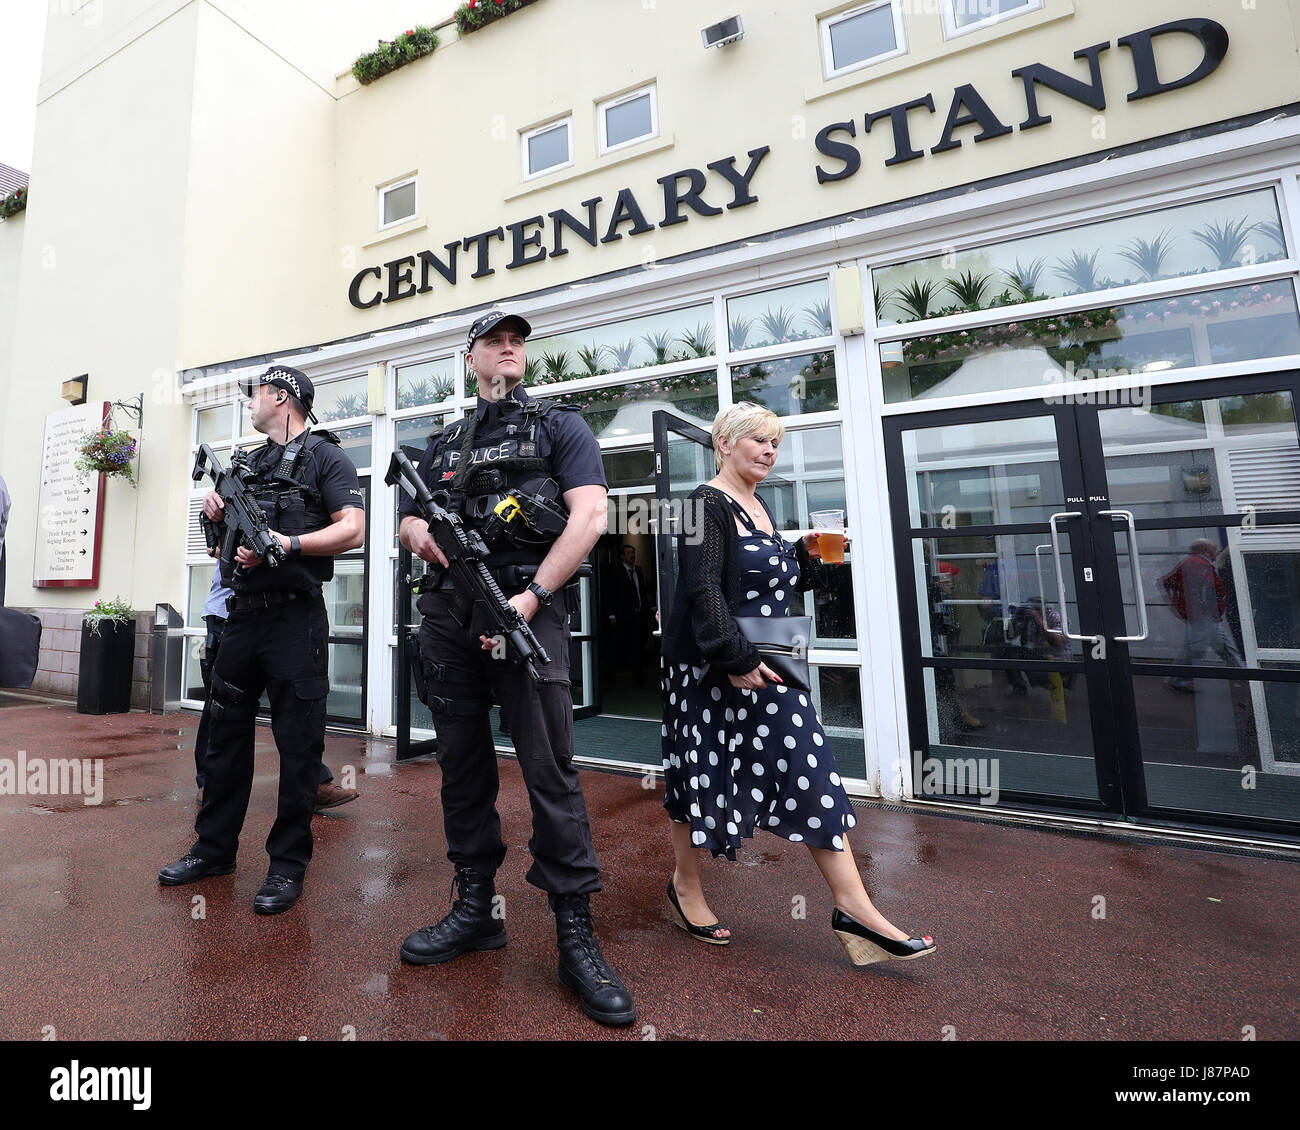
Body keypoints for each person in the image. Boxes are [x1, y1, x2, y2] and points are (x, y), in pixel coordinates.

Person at [396, 309, 635, 1027]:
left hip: (527, 610)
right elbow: (408, 520)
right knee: (461, 767)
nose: (510, 348)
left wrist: (533, 596)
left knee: (550, 771)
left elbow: (591, 516)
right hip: (447, 616)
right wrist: (419, 536)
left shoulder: (561, 427)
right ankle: (475, 910)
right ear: (470, 359)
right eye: (496, 341)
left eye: (518, 341)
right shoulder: (440, 443)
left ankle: (575, 937)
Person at [659, 403, 935, 965]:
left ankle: (852, 907)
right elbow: (703, 591)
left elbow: (772, 583)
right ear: (725, 443)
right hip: (719, 668)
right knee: (702, 776)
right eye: (757, 440)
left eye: (774, 443)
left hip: (772, 661)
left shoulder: (757, 507)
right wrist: (733, 657)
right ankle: (687, 889)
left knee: (808, 767)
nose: (768, 450)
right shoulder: (702, 505)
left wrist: (807, 555)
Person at [159, 366, 365, 914]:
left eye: (257, 395)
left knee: (299, 751)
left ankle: (286, 867)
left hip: (295, 622)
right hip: (242, 618)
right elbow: (219, 553)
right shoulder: (248, 464)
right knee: (225, 741)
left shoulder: (326, 457)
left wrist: (288, 543)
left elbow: (353, 528)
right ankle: (213, 850)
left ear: (282, 397)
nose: (251, 403)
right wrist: (216, 519)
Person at [193, 567, 358, 813]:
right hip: (227, 613)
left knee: (294, 708)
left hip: (278, 614)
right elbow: (218, 549)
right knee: (221, 706)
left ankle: (312, 782)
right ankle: (210, 782)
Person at [1160, 538, 1243, 692]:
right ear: (1206, 551)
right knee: (1202, 649)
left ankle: (1177, 678)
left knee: (1197, 648)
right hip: (1206, 617)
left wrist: (1175, 605)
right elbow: (1212, 590)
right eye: (1214, 550)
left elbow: (1166, 582)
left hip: (1200, 616)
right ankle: (1247, 675)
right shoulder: (1200, 565)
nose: (1217, 553)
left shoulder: (1188, 563)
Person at [606, 543, 650, 685]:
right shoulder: (616, 572)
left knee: (638, 646)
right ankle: (610, 677)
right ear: (622, 556)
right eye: (628, 553)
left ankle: (639, 677)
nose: (632, 555)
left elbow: (642, 592)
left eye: (633, 552)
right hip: (622, 616)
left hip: (639, 615)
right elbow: (610, 594)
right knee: (618, 645)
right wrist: (611, 615)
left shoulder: (638, 571)